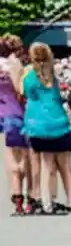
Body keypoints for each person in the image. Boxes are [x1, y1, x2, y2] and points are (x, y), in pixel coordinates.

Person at [21, 42, 71, 214]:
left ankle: (47, 202)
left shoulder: (29, 78)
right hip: (59, 123)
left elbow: (27, 94)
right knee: (66, 165)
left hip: (37, 125)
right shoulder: (56, 75)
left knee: (46, 165)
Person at [0, 35, 34, 214]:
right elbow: (19, 91)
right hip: (17, 114)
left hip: (2, 113)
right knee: (24, 159)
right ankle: (27, 196)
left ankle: (17, 196)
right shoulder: (13, 65)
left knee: (9, 159)